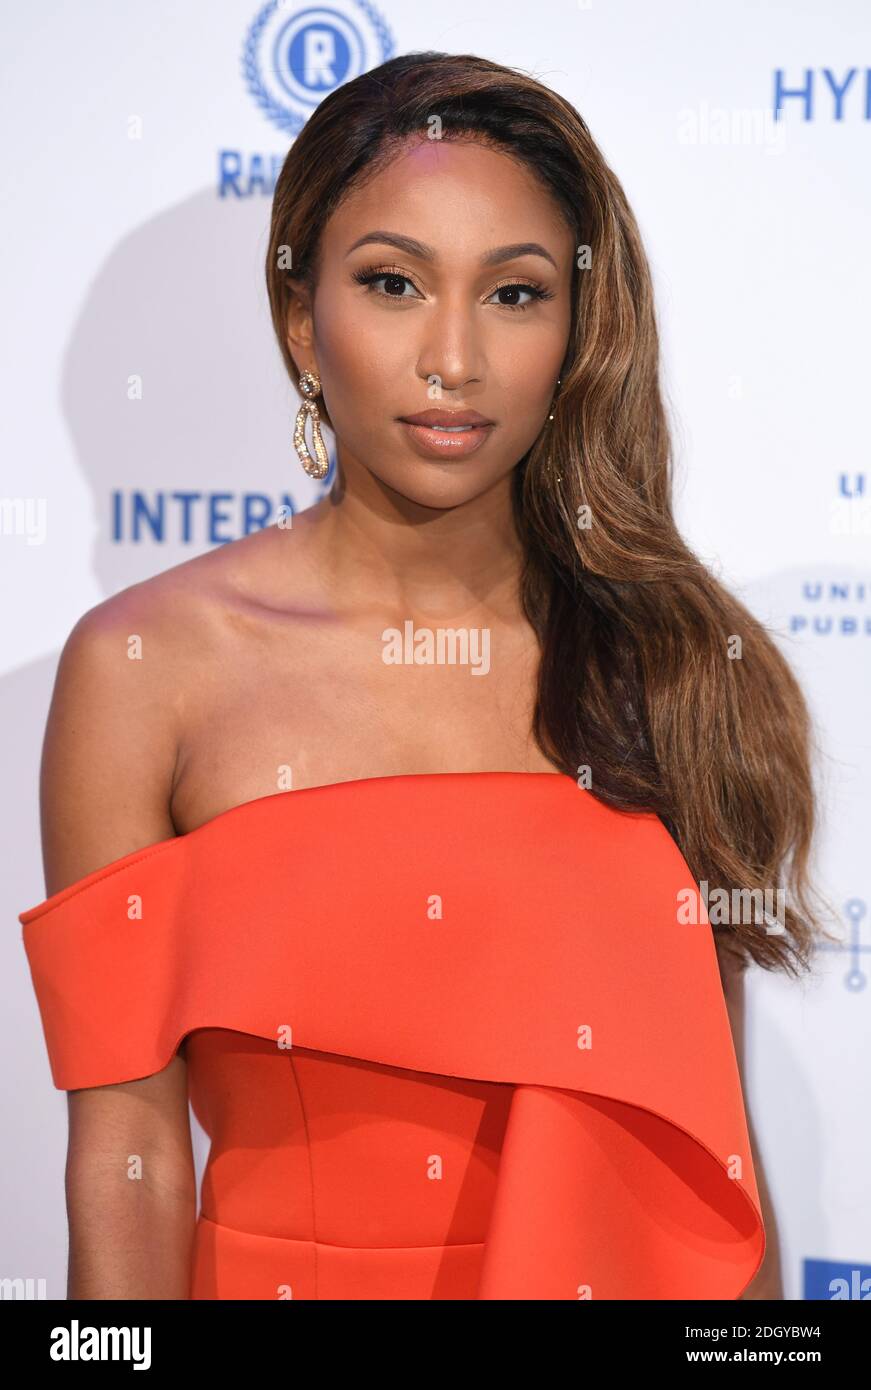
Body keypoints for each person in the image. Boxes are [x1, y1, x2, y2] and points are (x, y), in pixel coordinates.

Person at [19, 51, 833, 1301]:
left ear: (574, 333)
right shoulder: (145, 669)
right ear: (301, 316)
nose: (451, 357)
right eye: (393, 284)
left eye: (512, 295)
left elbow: (704, 1160)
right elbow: (124, 1150)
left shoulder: (669, 656)